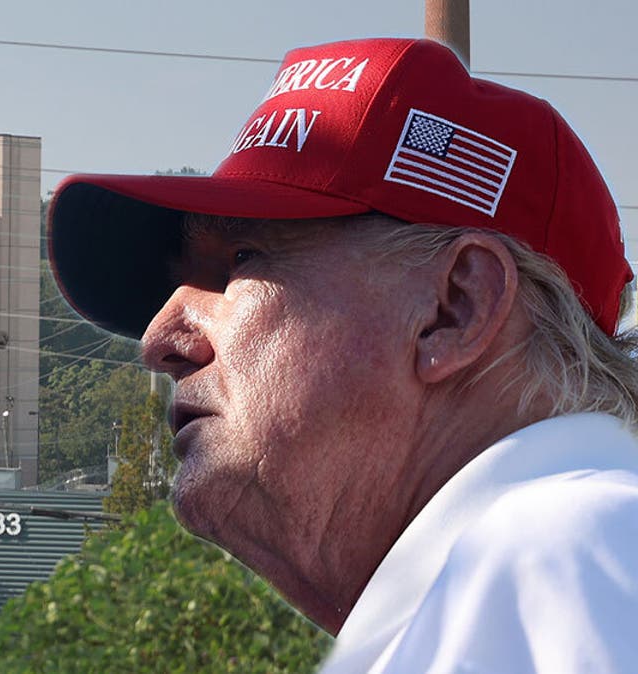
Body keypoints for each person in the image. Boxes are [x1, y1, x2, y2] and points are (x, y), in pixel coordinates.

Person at [46, 37, 638, 672]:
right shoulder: (504, 587)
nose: (159, 339)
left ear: (453, 309)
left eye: (242, 259)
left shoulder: (565, 553)